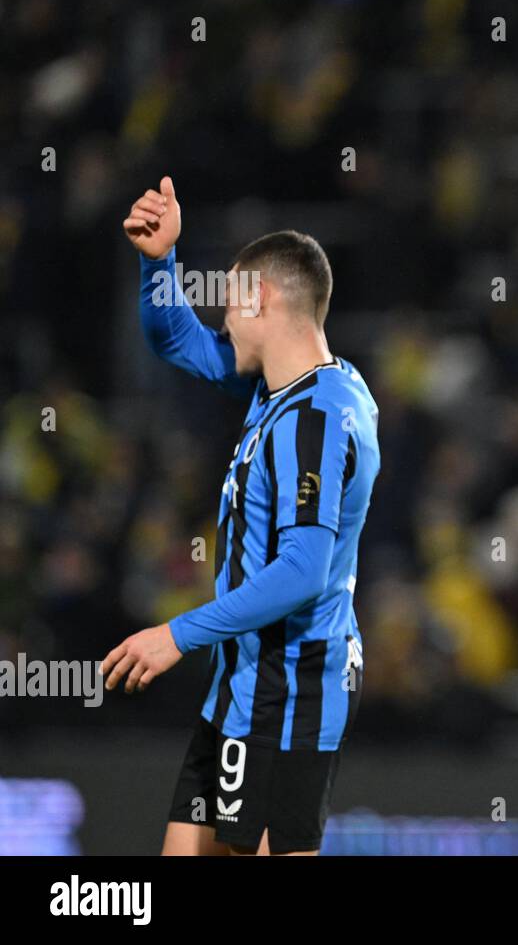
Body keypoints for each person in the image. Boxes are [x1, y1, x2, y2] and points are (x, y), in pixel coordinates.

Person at [102, 176, 381, 855]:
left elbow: (302, 571)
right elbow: (177, 343)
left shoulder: (316, 418)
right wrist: (157, 262)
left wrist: (178, 634)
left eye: (229, 300)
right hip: (238, 688)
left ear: (261, 298)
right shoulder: (283, 390)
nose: (222, 318)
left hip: (287, 697)